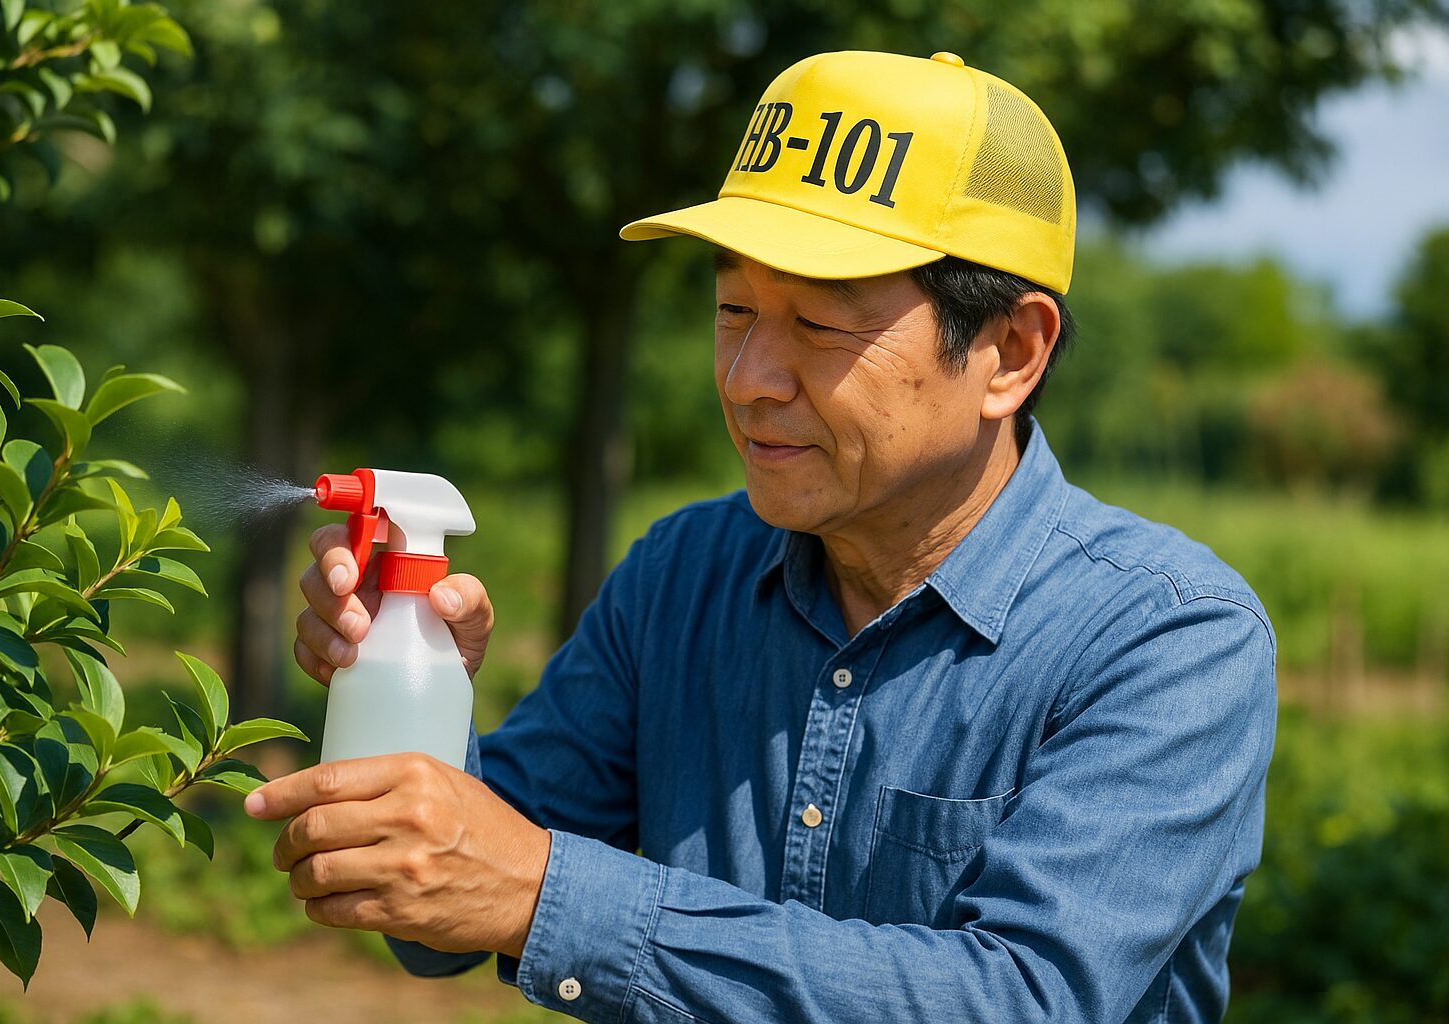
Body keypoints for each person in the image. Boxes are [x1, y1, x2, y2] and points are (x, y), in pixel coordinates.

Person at [246, 50, 1277, 1023]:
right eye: (734, 309)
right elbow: (437, 923)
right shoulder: (681, 577)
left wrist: (544, 893)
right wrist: (410, 684)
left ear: (1010, 352)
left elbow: (1015, 998)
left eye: (820, 324)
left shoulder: (1169, 641)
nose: (748, 381)